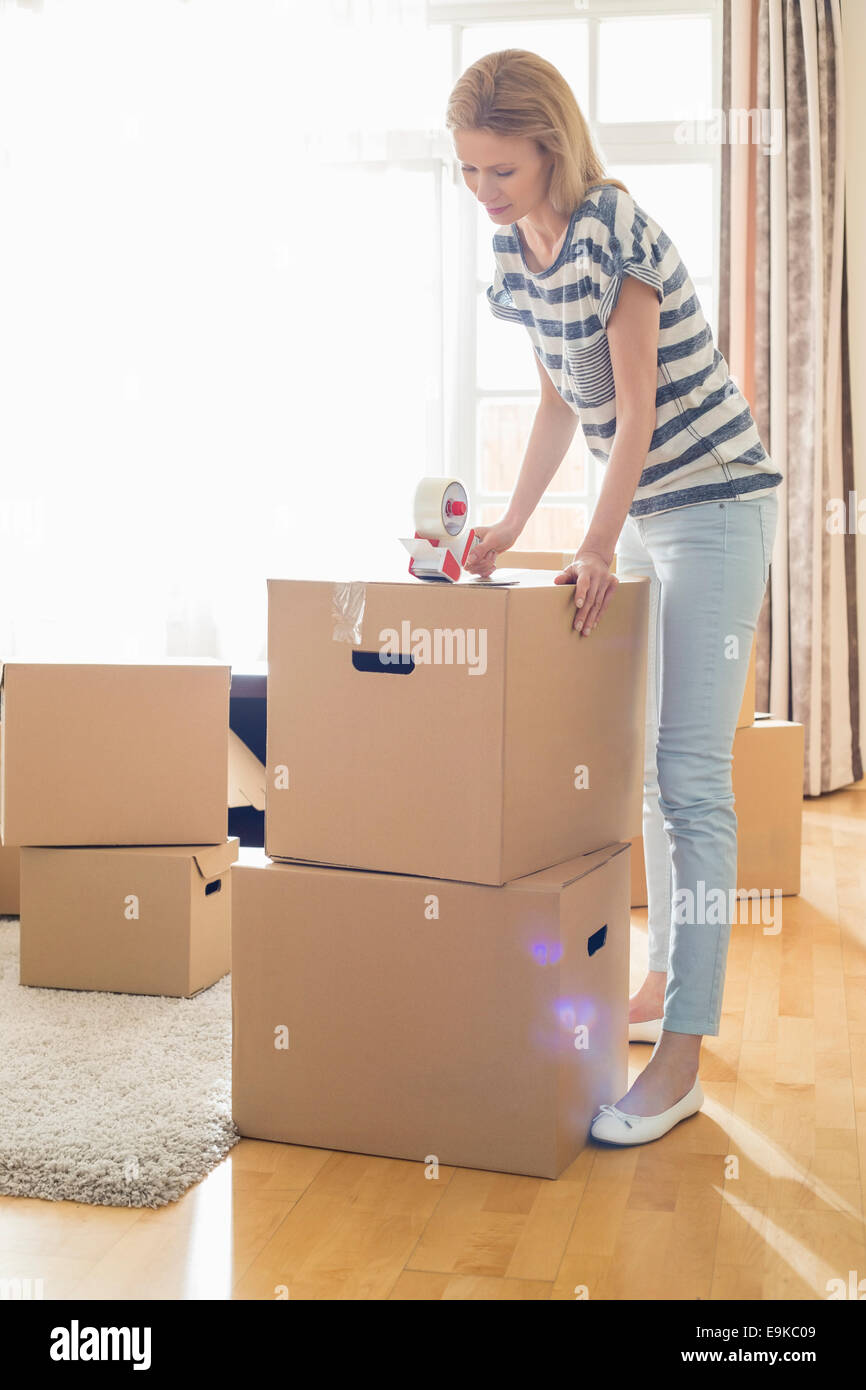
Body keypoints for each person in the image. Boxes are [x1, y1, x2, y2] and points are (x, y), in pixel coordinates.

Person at [446, 49, 782, 1145]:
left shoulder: (612, 227)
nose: (482, 192)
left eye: (498, 169)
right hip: (640, 511)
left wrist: (592, 543)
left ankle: (681, 1055)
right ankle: (652, 987)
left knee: (691, 779)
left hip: (716, 503)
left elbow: (632, 410)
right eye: (466, 171)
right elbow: (559, 408)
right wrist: (509, 525)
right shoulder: (517, 250)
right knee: (637, 767)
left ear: (548, 145)